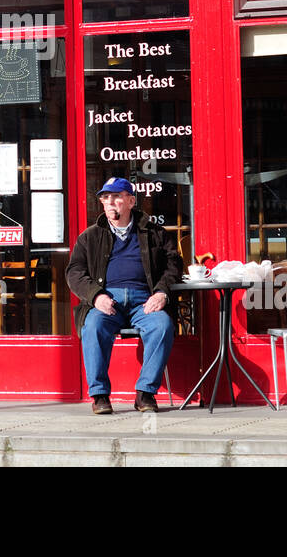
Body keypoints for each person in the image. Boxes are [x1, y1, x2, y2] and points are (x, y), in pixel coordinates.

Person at [66, 177, 182, 414]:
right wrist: (96, 296)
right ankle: (99, 395)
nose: (110, 203)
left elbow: (174, 264)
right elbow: (74, 272)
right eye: (105, 198)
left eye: (116, 197)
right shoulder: (90, 236)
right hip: (108, 299)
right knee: (94, 326)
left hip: (144, 299)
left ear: (130, 201)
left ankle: (145, 393)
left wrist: (161, 292)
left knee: (162, 326)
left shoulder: (154, 233)